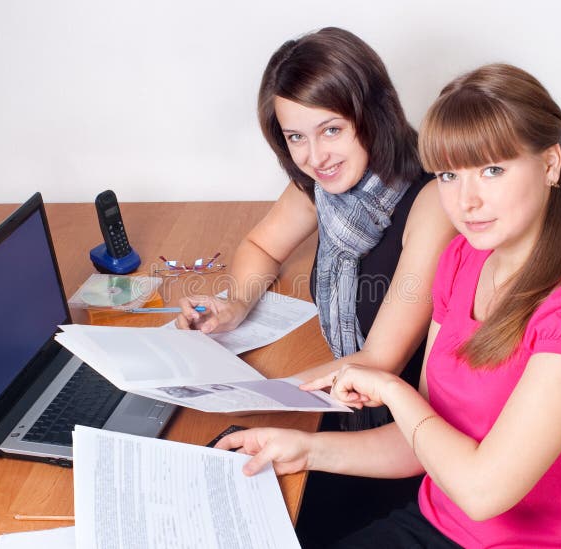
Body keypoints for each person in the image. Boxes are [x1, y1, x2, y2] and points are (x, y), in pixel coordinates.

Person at [216, 63, 561, 548]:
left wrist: (393, 392)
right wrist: (304, 449)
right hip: (437, 522)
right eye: (448, 174)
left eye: (493, 169)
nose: (467, 201)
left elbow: (483, 492)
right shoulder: (463, 259)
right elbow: (421, 443)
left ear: (550, 164)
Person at [175, 27, 455, 544]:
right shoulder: (323, 186)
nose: (314, 156)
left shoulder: (430, 201)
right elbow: (262, 247)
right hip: (341, 416)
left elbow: (377, 363)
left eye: (330, 130)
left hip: (405, 447)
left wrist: (244, 394)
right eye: (295, 137)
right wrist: (234, 303)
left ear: (372, 115)